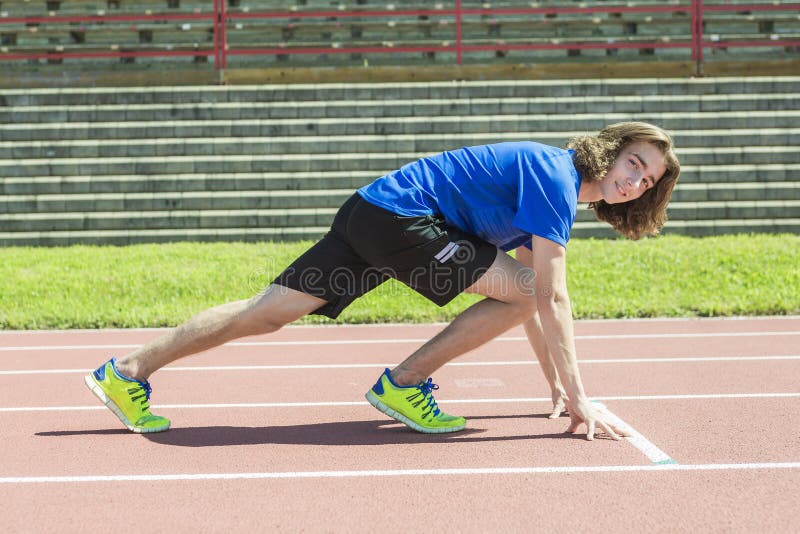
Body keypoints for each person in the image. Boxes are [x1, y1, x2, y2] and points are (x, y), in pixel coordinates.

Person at [85, 121, 680, 440]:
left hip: (372, 211)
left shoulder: (548, 185)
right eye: (635, 162)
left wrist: (554, 387)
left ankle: (127, 373)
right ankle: (404, 384)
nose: (637, 182)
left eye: (649, 180)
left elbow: (525, 288)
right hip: (402, 220)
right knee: (529, 294)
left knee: (264, 313)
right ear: (609, 150)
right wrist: (582, 400)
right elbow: (548, 296)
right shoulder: (555, 177)